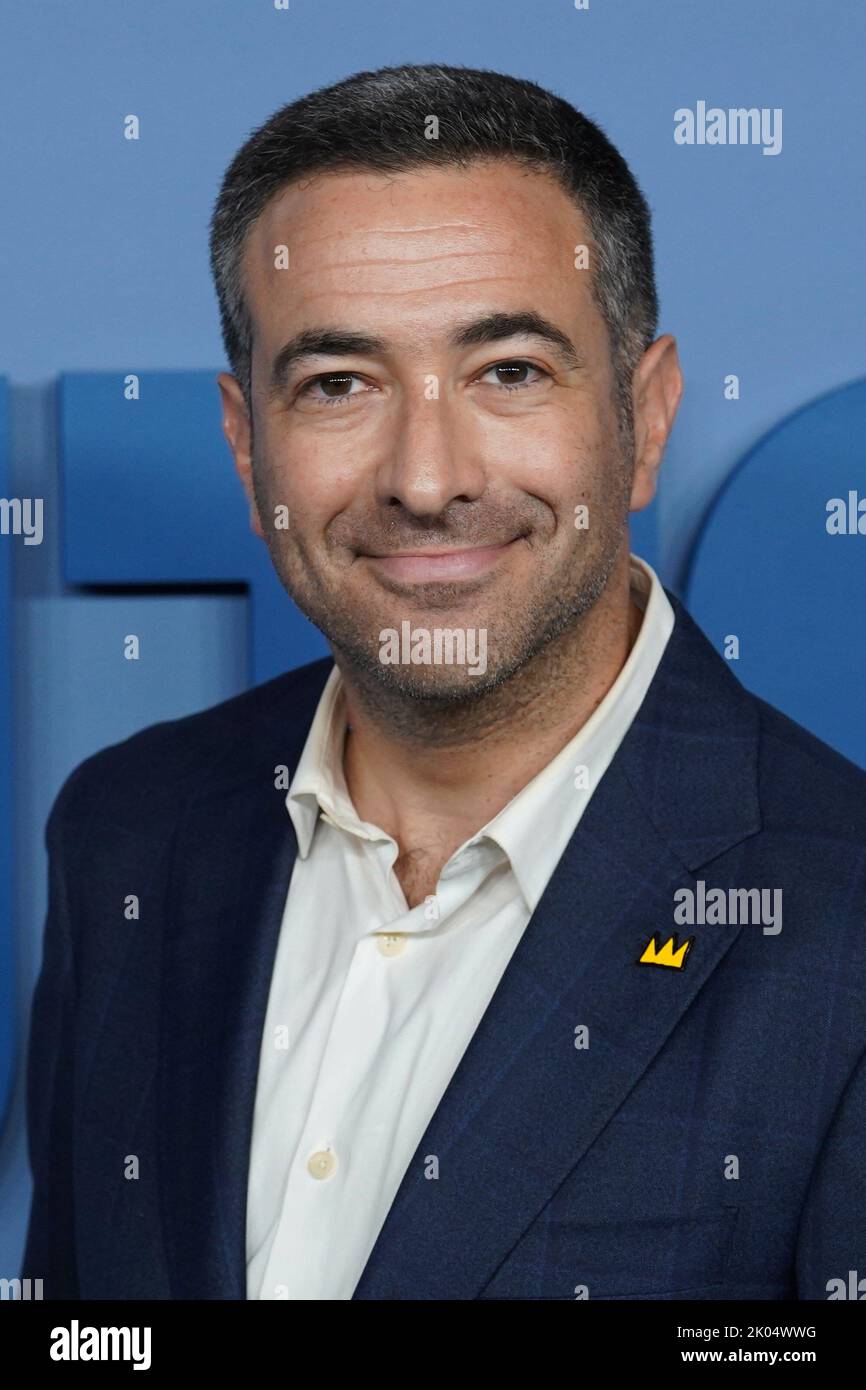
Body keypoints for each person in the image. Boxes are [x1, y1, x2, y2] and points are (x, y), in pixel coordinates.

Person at [22, 63, 866, 1301]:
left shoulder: (840, 920)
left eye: (509, 370)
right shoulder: (126, 831)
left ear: (643, 415)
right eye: (338, 386)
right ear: (245, 442)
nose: (426, 478)